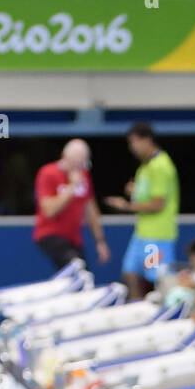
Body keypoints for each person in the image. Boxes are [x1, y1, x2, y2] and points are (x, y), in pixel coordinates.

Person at [104, 123, 179, 301]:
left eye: (134, 142)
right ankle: (136, 311)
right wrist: (135, 192)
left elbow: (157, 204)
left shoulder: (161, 165)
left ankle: (161, 315)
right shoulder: (144, 168)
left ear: (147, 140)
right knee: (130, 272)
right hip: (141, 233)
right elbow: (146, 197)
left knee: (155, 278)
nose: (132, 148)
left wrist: (126, 206)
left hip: (158, 236)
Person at [33, 139, 110, 271]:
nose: (78, 168)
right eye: (75, 164)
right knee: (75, 267)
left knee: (84, 272)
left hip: (73, 238)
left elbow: (91, 210)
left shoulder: (84, 176)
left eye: (82, 164)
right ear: (65, 157)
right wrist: (72, 186)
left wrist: (100, 241)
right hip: (50, 235)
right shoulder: (48, 173)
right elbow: (49, 211)